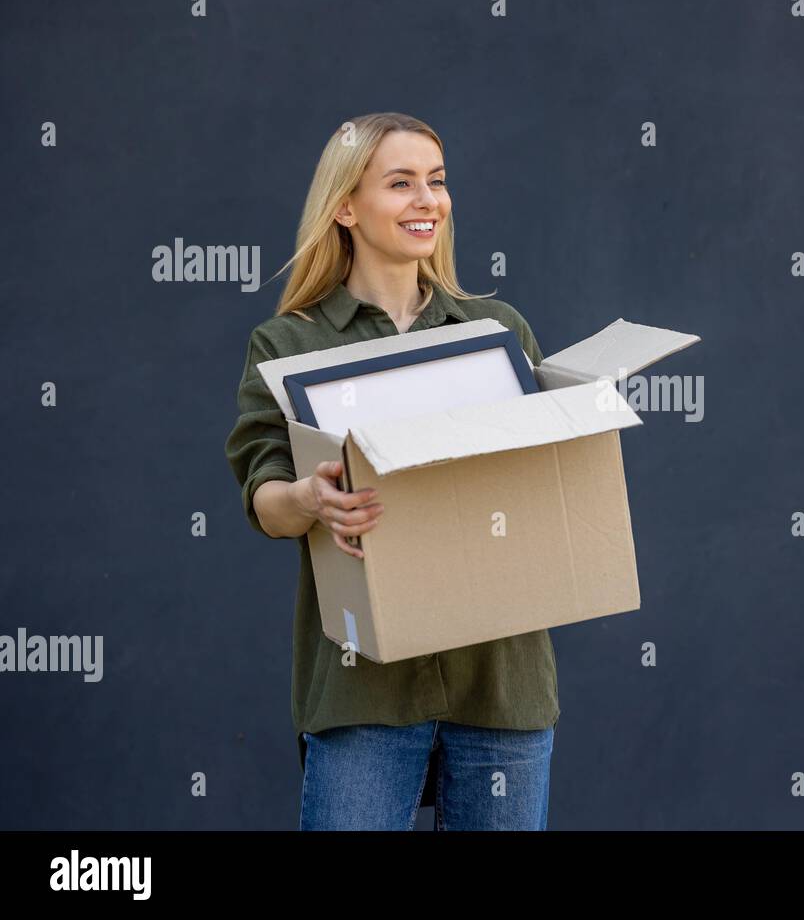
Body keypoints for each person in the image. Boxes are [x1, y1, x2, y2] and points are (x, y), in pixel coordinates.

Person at [224, 112, 559, 830]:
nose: (427, 201)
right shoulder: (289, 344)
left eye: (436, 183)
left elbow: (544, 484)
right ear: (345, 207)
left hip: (500, 684)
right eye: (401, 183)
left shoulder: (496, 332)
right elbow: (266, 497)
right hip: (361, 690)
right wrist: (312, 498)